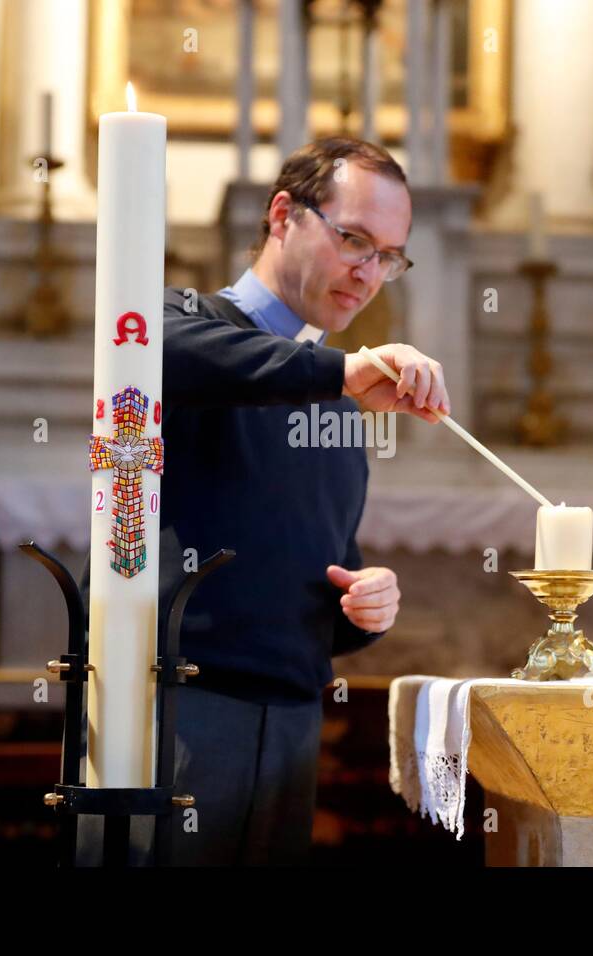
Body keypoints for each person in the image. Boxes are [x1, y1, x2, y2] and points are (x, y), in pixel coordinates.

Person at [80, 136, 449, 865]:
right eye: (354, 239)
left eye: (389, 257)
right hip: (173, 708)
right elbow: (162, 352)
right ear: (284, 215)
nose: (369, 272)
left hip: (290, 723)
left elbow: (325, 572)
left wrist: (365, 604)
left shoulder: (338, 407)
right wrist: (339, 370)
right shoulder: (175, 325)